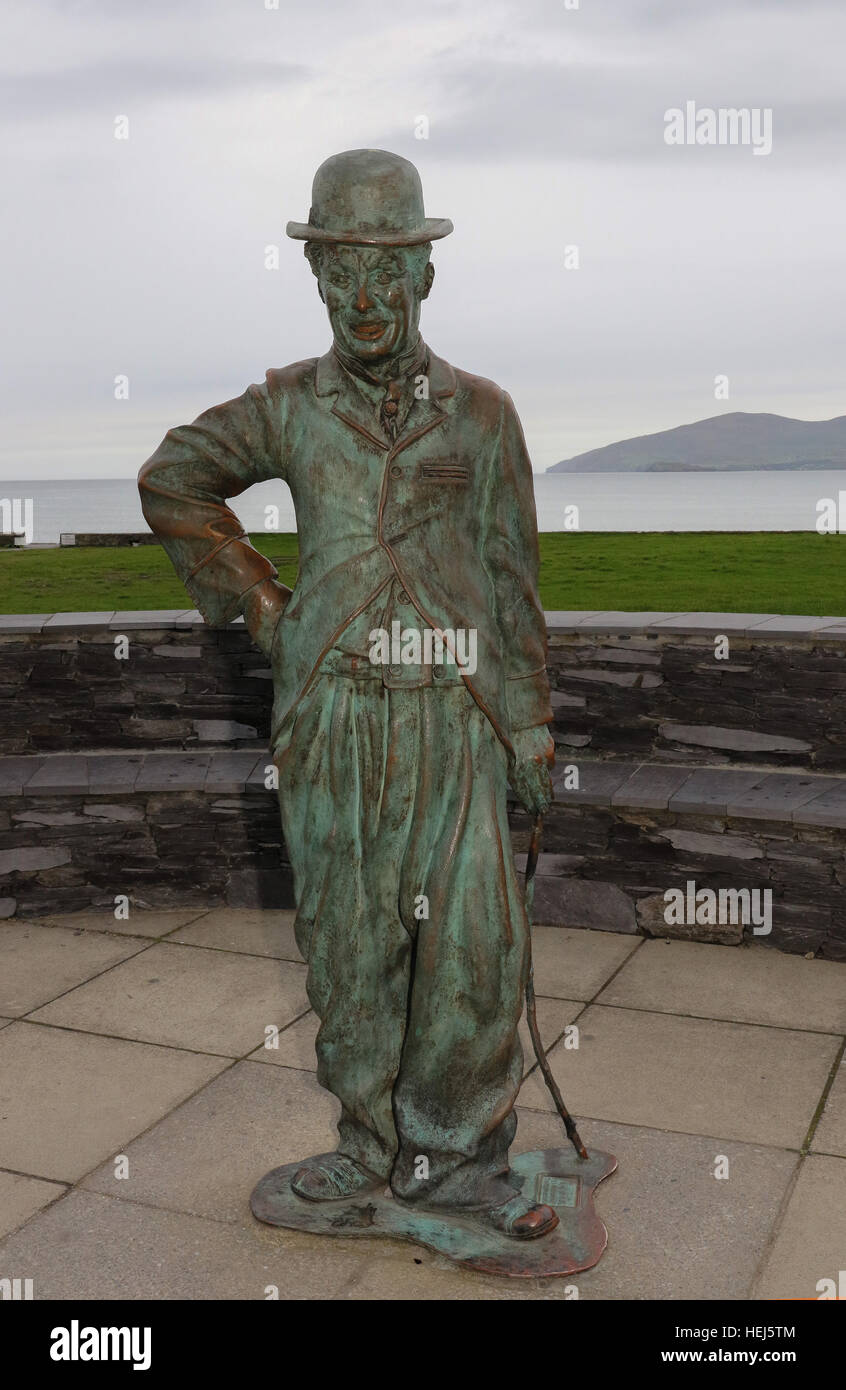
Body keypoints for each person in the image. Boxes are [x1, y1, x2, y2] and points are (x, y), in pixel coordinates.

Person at [139, 149, 557, 1239]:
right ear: (317, 277)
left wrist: (529, 723)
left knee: (472, 950)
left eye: (387, 271)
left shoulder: (481, 415)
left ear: (426, 276)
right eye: (343, 273)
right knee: (349, 947)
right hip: (333, 717)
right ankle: (371, 1145)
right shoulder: (287, 405)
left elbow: (510, 584)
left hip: (454, 719)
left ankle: (454, 1154)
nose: (365, 299)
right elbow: (173, 479)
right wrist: (260, 606)